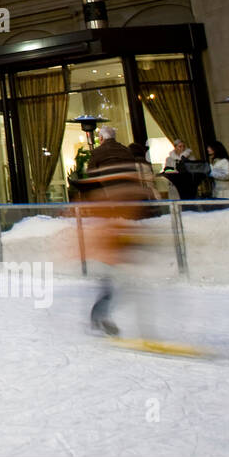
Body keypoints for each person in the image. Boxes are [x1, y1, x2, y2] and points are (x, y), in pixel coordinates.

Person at [78, 125, 157, 337]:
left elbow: (90, 181)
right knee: (118, 274)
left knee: (113, 275)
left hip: (111, 217)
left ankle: (100, 315)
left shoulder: (98, 155)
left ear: (101, 138)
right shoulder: (125, 152)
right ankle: (102, 316)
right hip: (126, 216)